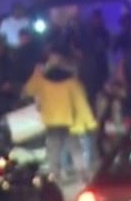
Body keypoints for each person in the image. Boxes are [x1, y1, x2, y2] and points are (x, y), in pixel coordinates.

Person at [25, 51, 96, 182]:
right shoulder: (71, 81)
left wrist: (36, 73)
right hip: (68, 119)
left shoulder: (42, 79)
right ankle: (82, 173)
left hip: (51, 120)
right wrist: (89, 122)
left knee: (53, 149)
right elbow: (81, 101)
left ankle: (55, 174)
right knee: (75, 148)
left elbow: (29, 90)